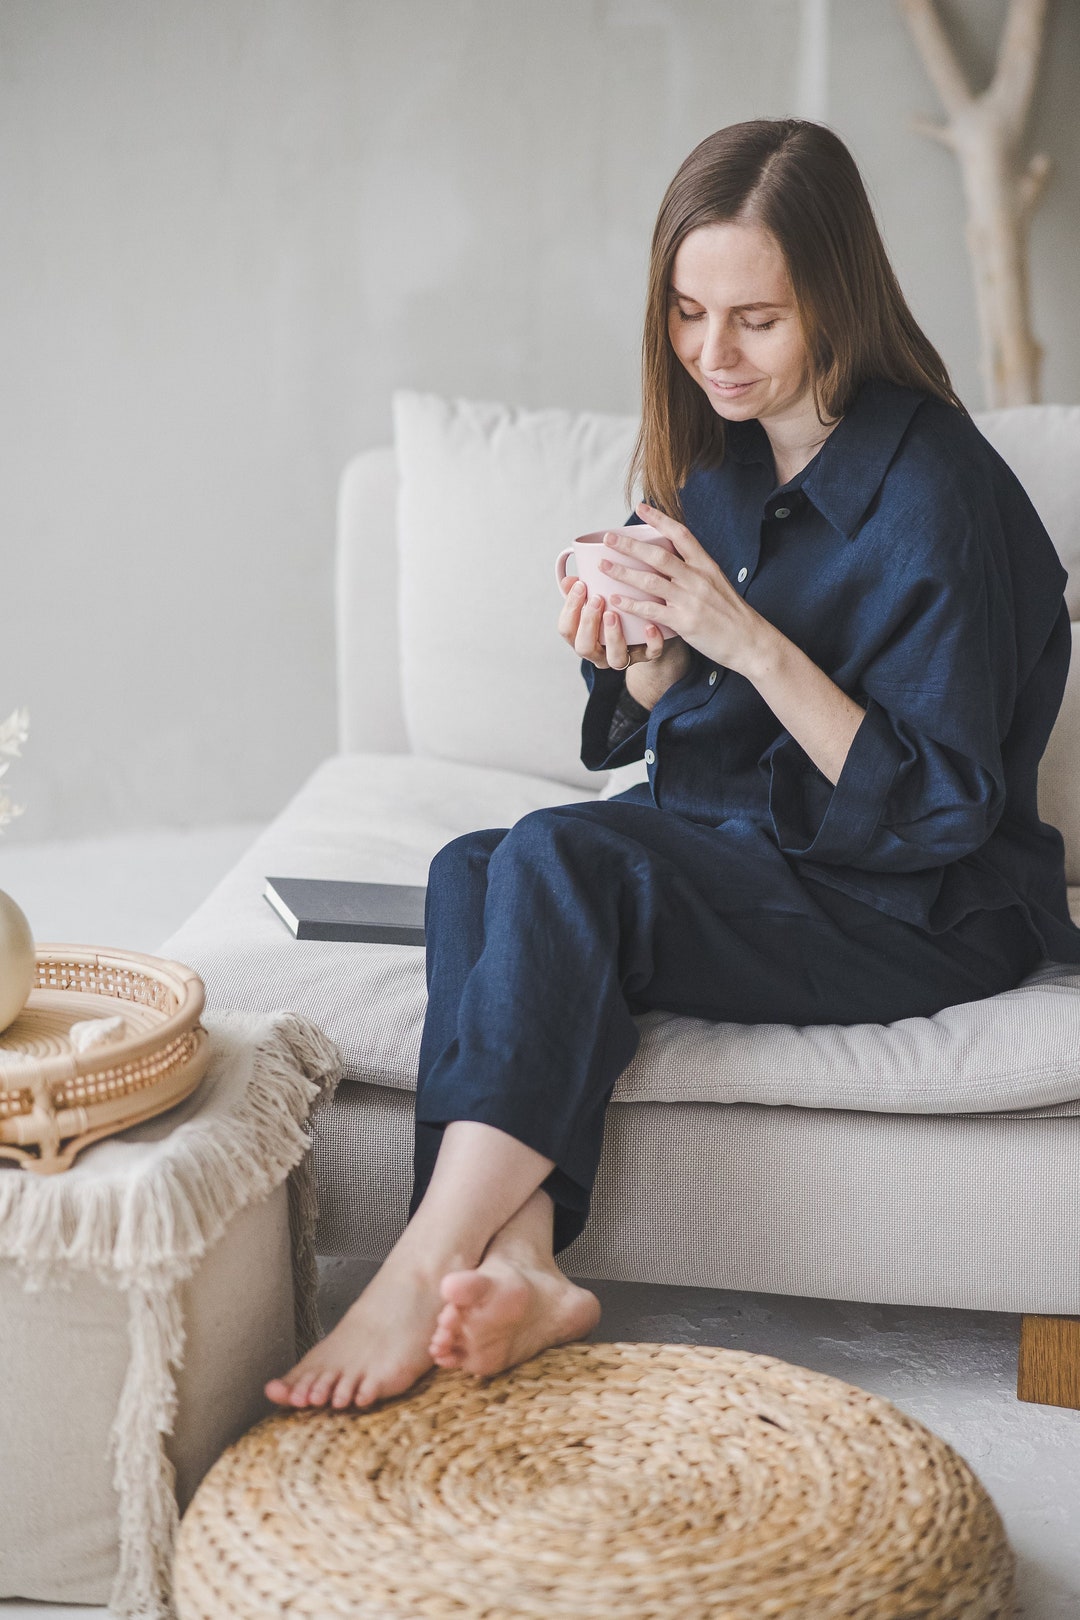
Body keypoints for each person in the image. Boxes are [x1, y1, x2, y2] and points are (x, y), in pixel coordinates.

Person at [266, 117, 1080, 1414]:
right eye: (689, 312)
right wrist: (641, 660)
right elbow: (669, 719)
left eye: (755, 318)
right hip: (758, 857)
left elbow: (938, 809)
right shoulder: (720, 454)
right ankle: (525, 1259)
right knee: (474, 866)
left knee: (558, 853)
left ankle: (420, 1263)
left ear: (837, 301)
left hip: (910, 905)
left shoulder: (942, 497)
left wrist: (744, 640)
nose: (712, 353)